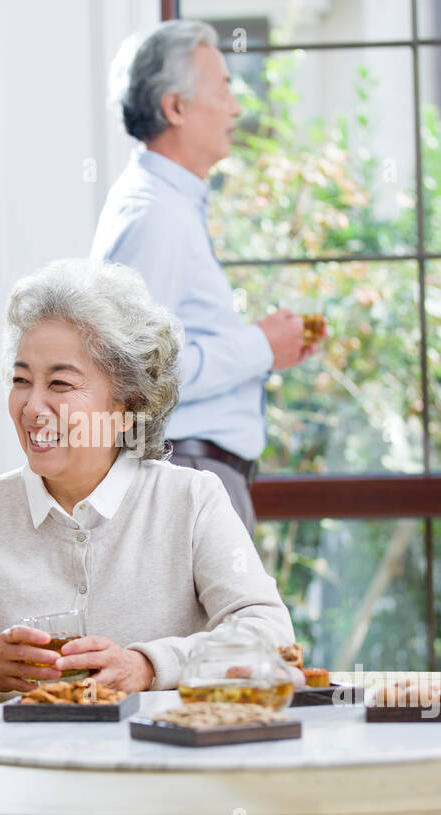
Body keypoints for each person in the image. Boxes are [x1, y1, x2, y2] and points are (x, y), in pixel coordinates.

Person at [0, 258, 295, 693]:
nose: (32, 406)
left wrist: (149, 665)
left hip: (151, 756)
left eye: (60, 385)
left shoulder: (191, 499)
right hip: (12, 758)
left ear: (127, 407)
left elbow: (268, 631)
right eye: (22, 380)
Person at [91, 19, 320, 535]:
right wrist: (261, 345)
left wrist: (266, 347)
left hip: (195, 476)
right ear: (175, 108)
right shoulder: (156, 216)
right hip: (187, 478)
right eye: (224, 89)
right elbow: (139, 379)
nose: (236, 107)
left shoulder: (168, 206)